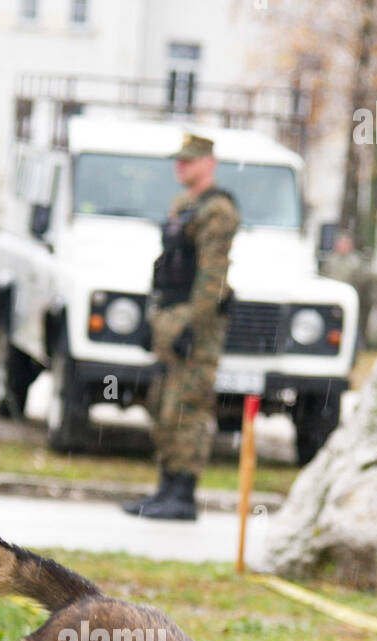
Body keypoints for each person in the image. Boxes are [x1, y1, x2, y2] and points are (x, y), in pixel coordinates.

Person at [123, 133, 239, 521]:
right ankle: (166, 487)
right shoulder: (183, 206)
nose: (181, 166)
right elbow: (166, 266)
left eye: (189, 161)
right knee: (161, 403)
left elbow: (213, 276)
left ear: (209, 163)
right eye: (180, 160)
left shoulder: (216, 210)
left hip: (196, 322)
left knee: (187, 407)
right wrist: (150, 316)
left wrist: (195, 324)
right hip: (171, 317)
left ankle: (183, 495)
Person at [321, 230, 374, 350]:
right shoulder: (330, 261)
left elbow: (361, 283)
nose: (342, 246)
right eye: (340, 243)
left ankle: (356, 348)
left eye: (345, 243)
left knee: (350, 326)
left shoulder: (355, 262)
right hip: (331, 300)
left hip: (348, 301)